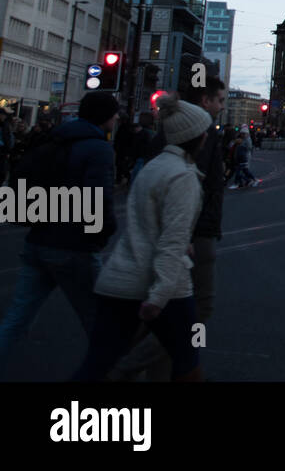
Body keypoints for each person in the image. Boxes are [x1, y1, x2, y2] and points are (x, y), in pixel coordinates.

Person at [73, 92, 207, 382]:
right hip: (165, 288)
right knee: (187, 363)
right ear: (197, 137)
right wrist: (159, 296)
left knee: (96, 365)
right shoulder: (184, 176)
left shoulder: (153, 167)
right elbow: (170, 242)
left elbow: (148, 220)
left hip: (119, 279)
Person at [108, 77, 227, 382]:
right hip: (192, 241)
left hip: (163, 250)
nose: (221, 106)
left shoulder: (159, 155)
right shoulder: (189, 155)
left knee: (166, 321)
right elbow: (180, 221)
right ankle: (124, 366)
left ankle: (138, 368)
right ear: (205, 102)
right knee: (194, 311)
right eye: (219, 100)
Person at [0, 91, 119, 376]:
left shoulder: (55, 138)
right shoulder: (98, 148)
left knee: (17, 318)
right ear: (104, 116)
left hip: (38, 240)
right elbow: (98, 201)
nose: (117, 119)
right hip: (73, 246)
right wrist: (102, 235)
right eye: (114, 114)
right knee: (100, 324)